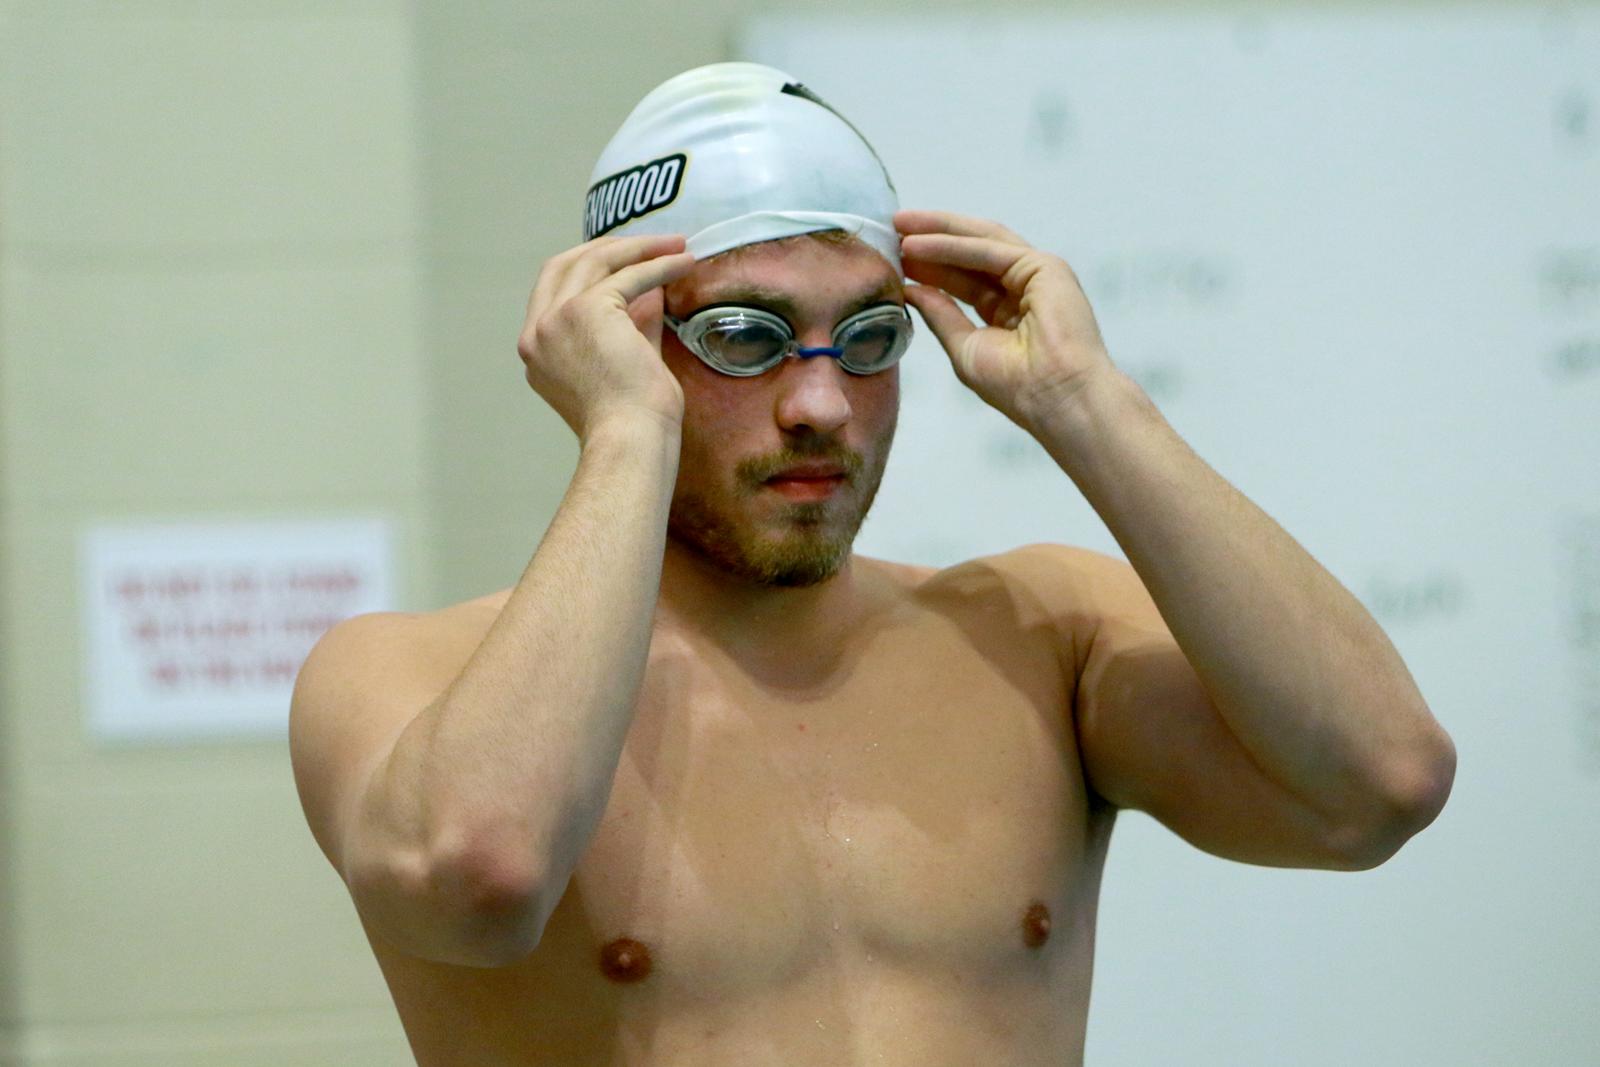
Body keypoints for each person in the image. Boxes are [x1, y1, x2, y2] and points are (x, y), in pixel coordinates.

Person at [289, 63, 1456, 1065]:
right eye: (742, 336)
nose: (820, 403)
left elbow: (1379, 783)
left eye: (868, 338)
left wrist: (1087, 402)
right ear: (623, 337)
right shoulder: (406, 675)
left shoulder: (1037, 636)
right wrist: (624, 431)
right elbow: (474, 873)